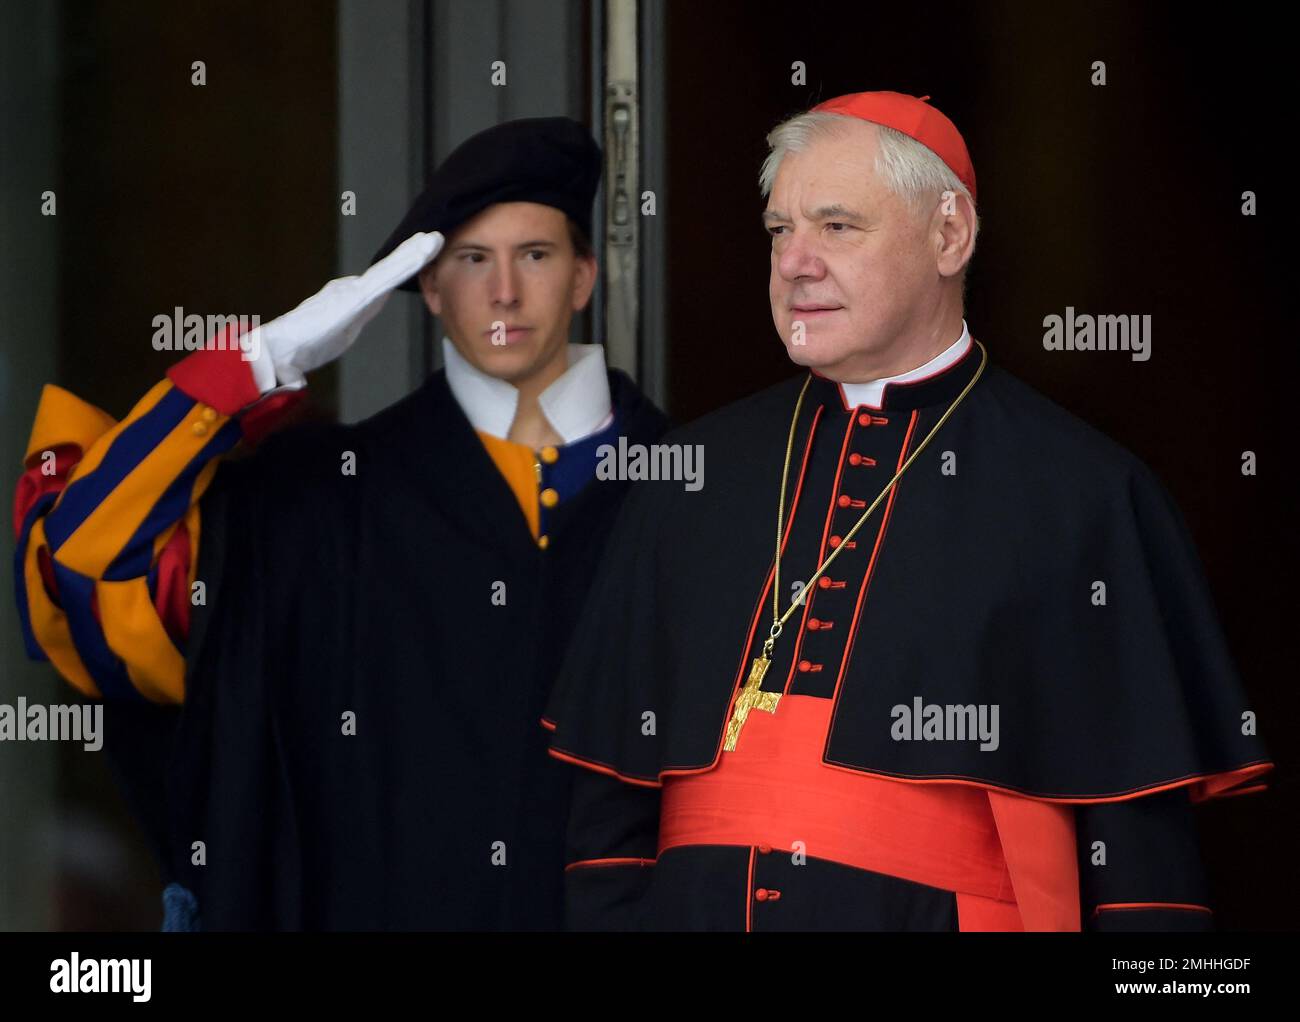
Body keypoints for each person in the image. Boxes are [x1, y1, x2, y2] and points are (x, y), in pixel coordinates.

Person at [543, 92, 1273, 931]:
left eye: (838, 227)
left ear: (949, 236)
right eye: (780, 231)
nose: (795, 263)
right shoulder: (689, 477)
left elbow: (1146, 880)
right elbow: (608, 829)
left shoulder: (1085, 495)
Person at [13, 116, 667, 929]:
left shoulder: (689, 486)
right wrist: (258, 363)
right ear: (428, 289)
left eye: (534, 255)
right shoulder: (319, 499)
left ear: (582, 278)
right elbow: (82, 560)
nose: (504, 290)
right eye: (470, 259)